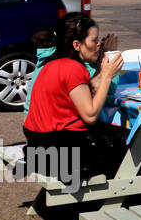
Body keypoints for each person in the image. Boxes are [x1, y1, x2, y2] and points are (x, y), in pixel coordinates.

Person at [23, 13, 126, 181]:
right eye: (94, 40)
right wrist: (107, 77)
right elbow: (90, 115)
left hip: (39, 145)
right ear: (77, 45)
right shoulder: (73, 69)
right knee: (132, 141)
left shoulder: (52, 63)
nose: (99, 43)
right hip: (61, 153)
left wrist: (103, 72)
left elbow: (86, 90)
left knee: (121, 135)